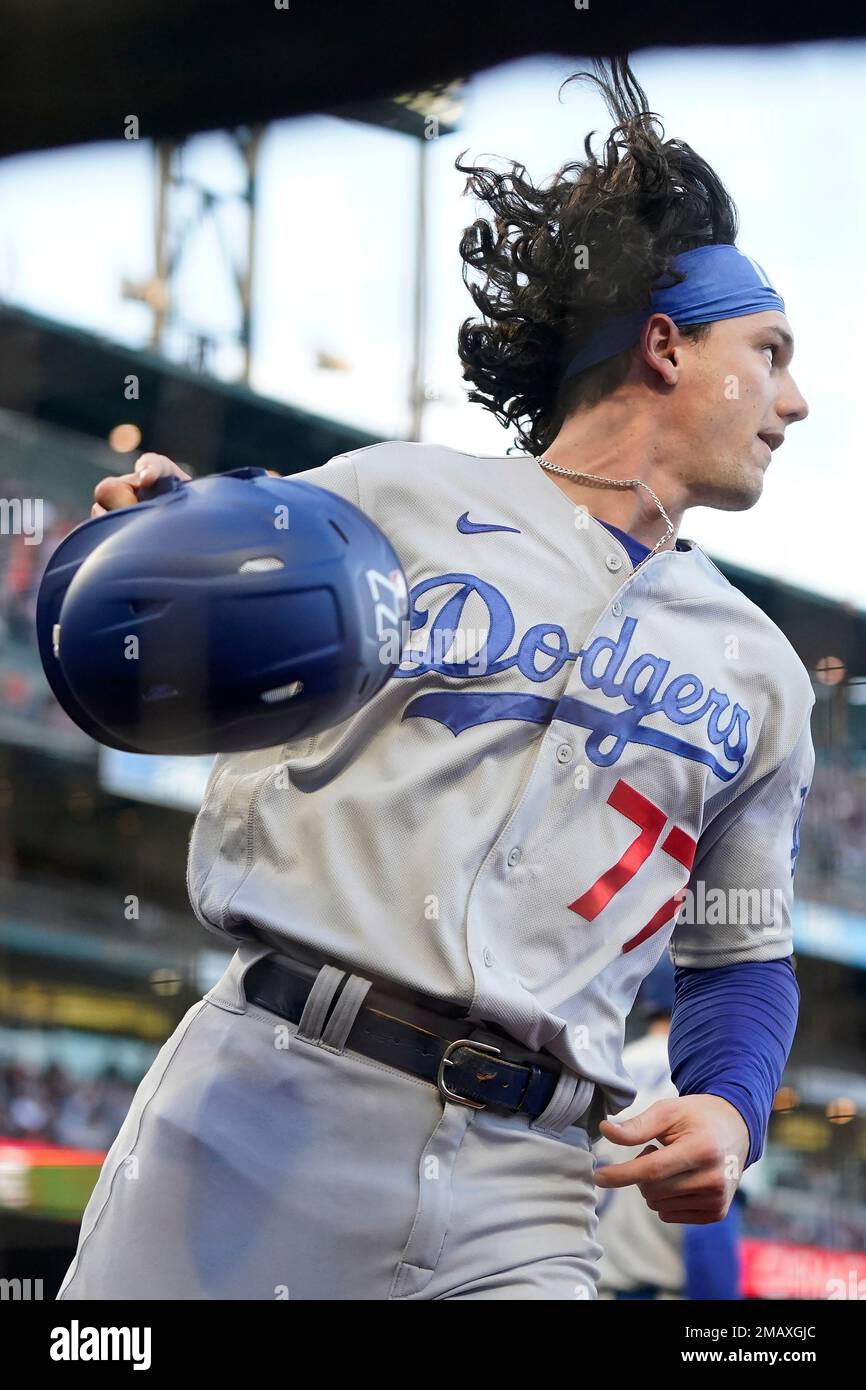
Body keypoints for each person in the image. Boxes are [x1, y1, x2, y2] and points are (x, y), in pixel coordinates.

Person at [58, 56, 813, 1301]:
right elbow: (170, 610)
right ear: (665, 346)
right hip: (264, 1111)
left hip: (531, 1186)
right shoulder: (390, 498)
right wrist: (148, 543)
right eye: (769, 351)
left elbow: (740, 955)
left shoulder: (763, 673)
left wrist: (728, 1110)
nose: (793, 398)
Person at [594, 955, 745, 1299]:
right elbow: (710, 1235)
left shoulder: (609, 1066)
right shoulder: (715, 1086)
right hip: (661, 1289)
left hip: (589, 1283)